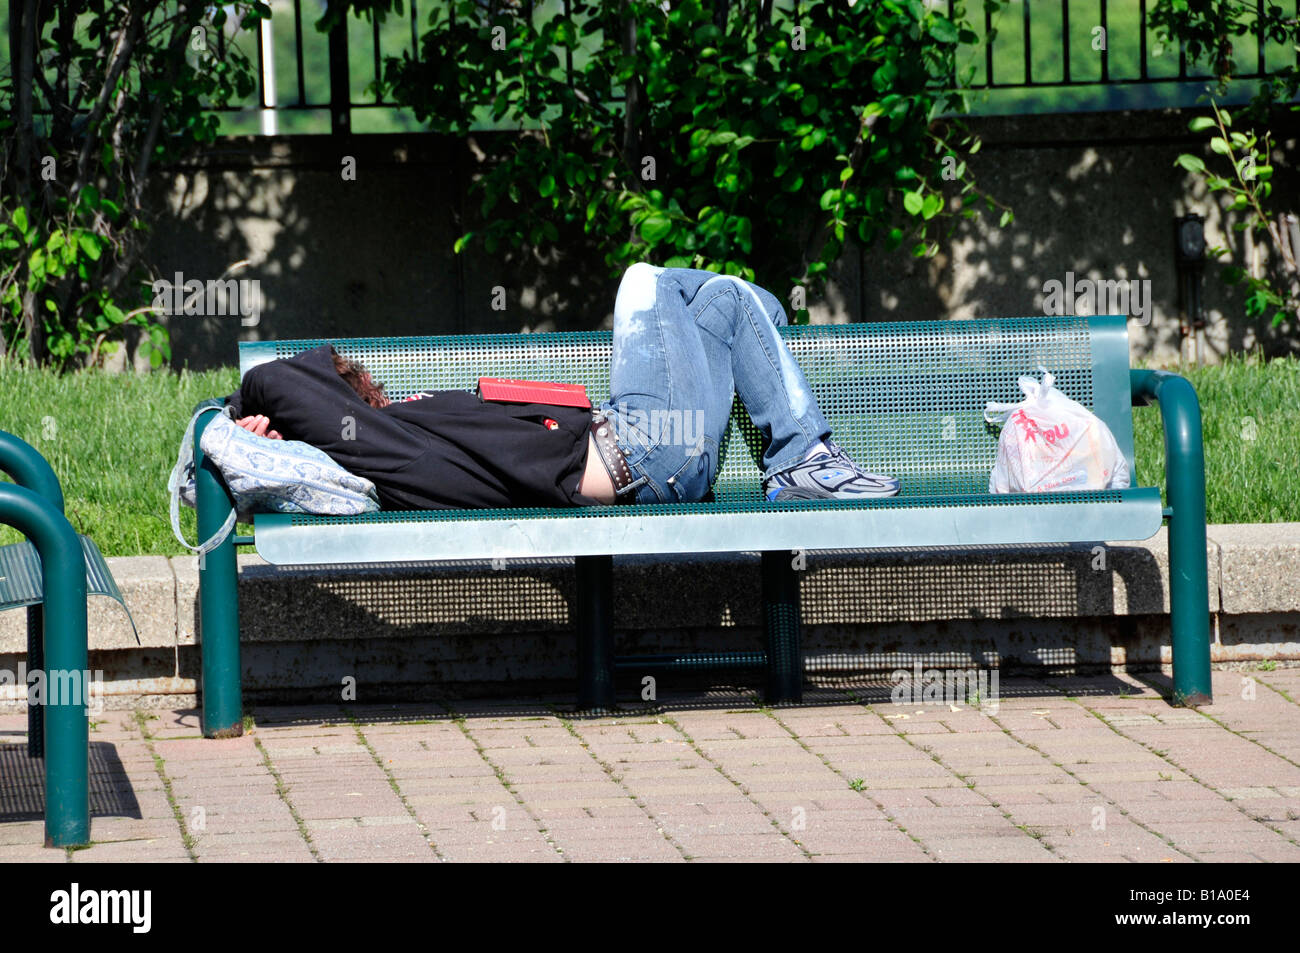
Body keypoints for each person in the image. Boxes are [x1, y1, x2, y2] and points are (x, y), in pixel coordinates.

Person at [226, 264, 900, 508]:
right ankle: (802, 457)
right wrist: (233, 415)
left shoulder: (396, 426)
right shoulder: (377, 445)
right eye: (344, 375)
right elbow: (270, 380)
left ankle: (797, 448)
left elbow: (290, 389)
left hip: (641, 443)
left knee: (725, 300)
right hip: (638, 454)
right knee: (642, 280)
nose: (349, 369)